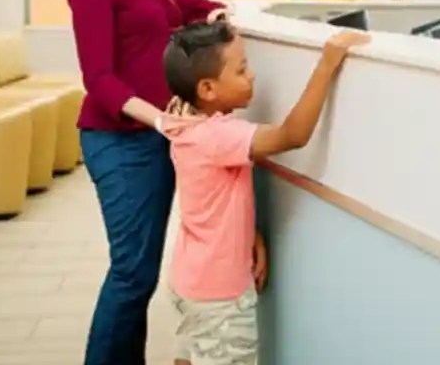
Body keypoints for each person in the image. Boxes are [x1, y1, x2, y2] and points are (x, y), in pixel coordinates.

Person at [67, 0, 229, 365]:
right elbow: (98, 79)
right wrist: (158, 117)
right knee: (132, 273)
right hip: (119, 140)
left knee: (142, 273)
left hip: (157, 135)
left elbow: (191, 4)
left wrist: (219, 13)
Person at [158, 20, 369, 365]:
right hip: (220, 297)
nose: (252, 76)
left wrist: (248, 232)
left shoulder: (182, 120)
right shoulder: (219, 136)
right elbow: (293, 135)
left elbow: (213, 199)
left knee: (190, 356)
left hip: (190, 280)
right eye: (242, 69)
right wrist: (327, 63)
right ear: (208, 89)